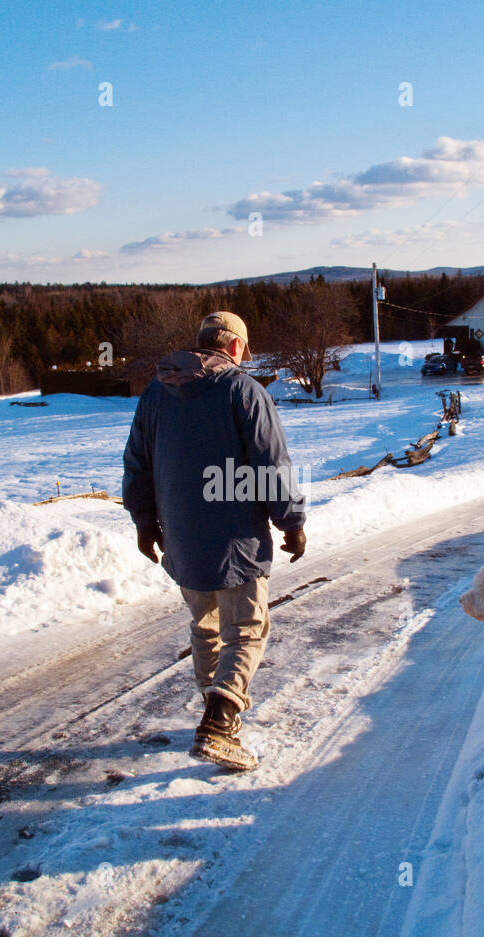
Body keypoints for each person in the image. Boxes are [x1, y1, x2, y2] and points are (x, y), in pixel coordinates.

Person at [122, 311, 306, 770]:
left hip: (181, 538)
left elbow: (137, 464)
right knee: (245, 630)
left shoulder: (154, 395)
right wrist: (291, 521)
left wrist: (145, 523)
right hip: (235, 538)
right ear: (235, 347)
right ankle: (220, 724)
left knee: (205, 627)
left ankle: (213, 710)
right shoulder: (244, 391)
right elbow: (271, 465)